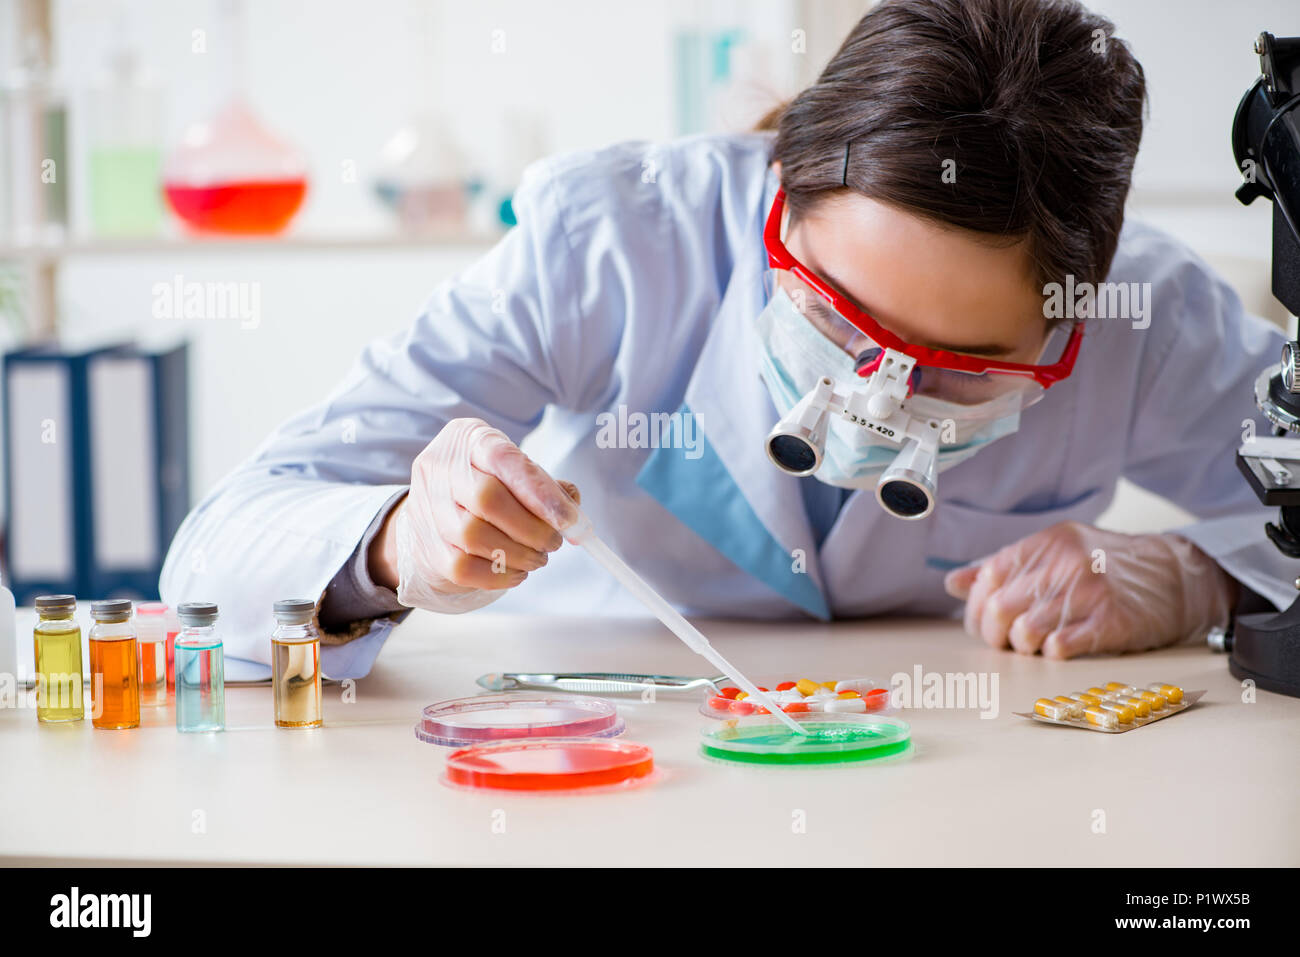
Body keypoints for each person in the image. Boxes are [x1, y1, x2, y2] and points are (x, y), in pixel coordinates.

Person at [161, 0, 1289, 678]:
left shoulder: (1142, 316)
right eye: (841, 317)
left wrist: (1200, 579)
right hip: (601, 745)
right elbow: (219, 550)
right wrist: (396, 542)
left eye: (960, 372)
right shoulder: (607, 244)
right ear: (777, 194)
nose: (878, 400)